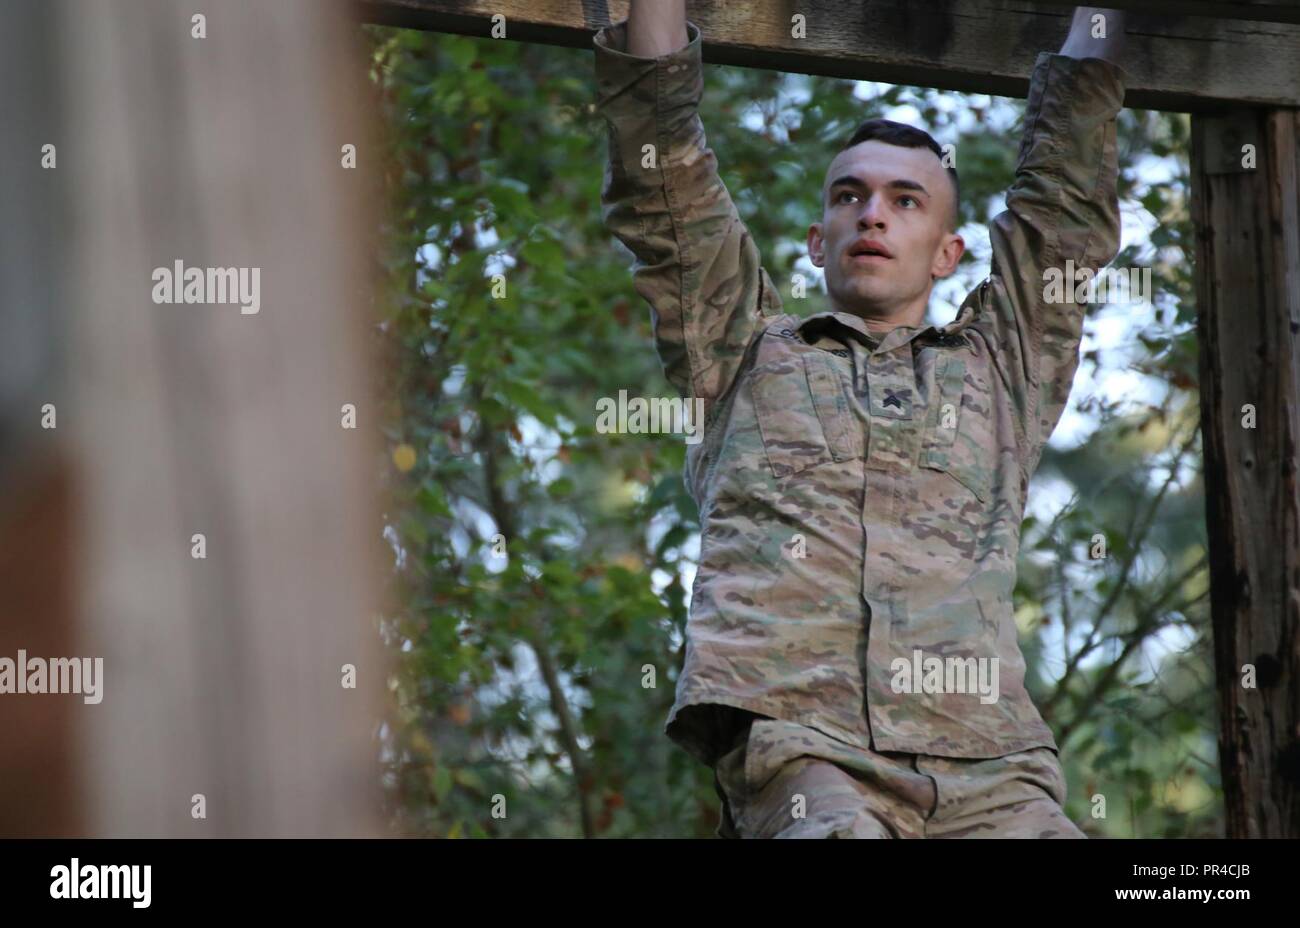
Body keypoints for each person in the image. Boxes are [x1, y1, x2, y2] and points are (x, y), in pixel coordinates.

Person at [593, 2, 1127, 837]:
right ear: (817, 238)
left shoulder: (1002, 369)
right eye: (851, 196)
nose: (873, 214)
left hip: (992, 766)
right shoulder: (743, 352)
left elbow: (1063, 217)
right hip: (807, 749)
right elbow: (666, 191)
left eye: (906, 200)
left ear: (949, 252)